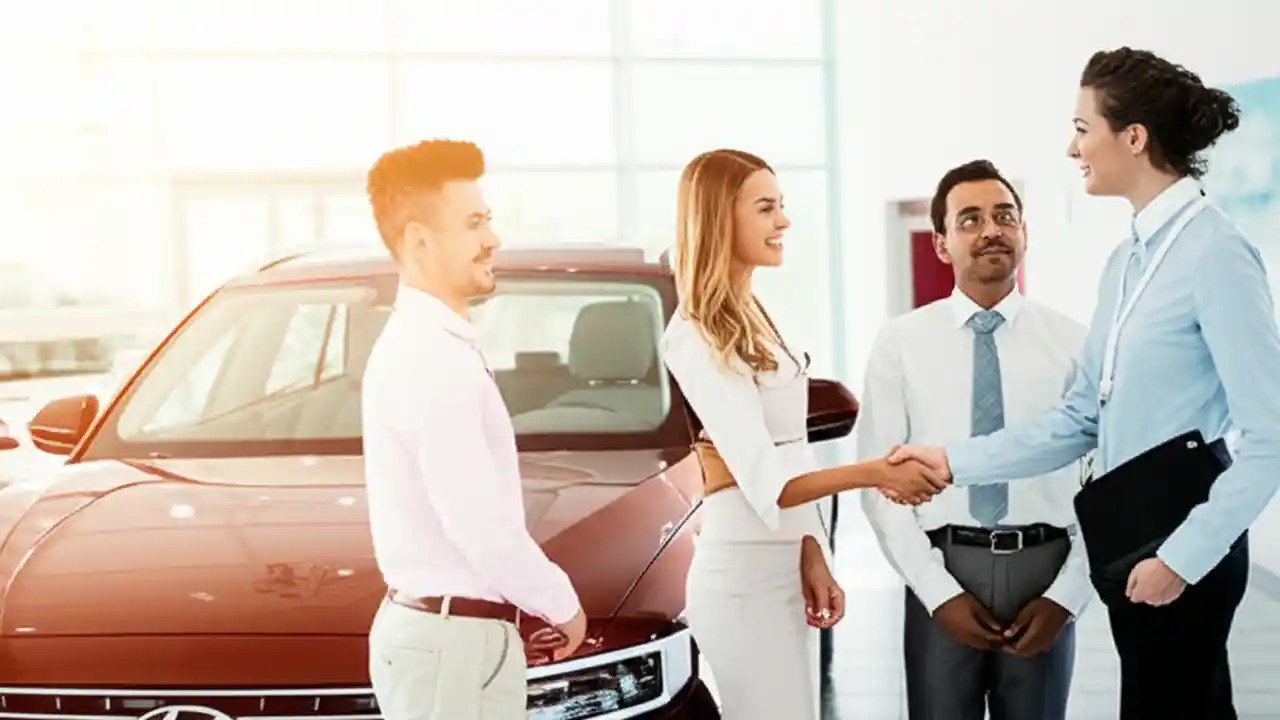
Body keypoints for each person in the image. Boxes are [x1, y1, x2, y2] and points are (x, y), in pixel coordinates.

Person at [888, 48, 1280, 718]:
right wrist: (953, 461)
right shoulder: (1127, 261)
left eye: (1081, 127)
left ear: (1133, 138)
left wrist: (1183, 559)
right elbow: (1078, 419)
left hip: (1180, 543)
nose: (1072, 148)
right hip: (1132, 540)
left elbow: (1271, 437)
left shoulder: (1216, 254)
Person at [659, 148, 949, 719]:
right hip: (741, 582)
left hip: (782, 567)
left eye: (782, 206)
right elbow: (768, 479)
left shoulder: (754, 316)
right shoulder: (695, 335)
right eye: (766, 208)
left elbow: (792, 447)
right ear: (721, 218)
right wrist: (873, 473)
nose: (784, 222)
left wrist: (812, 550)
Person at [361, 139, 587, 720]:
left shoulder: (436, 346)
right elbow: (479, 525)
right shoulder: (429, 358)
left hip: (453, 642)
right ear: (418, 240)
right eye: (475, 223)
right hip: (449, 647)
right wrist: (562, 606)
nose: (494, 238)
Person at [861, 159, 1089, 720]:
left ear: (1024, 233)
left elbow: (1104, 481)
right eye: (969, 219)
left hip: (1046, 570)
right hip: (943, 563)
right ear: (941, 244)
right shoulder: (900, 344)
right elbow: (878, 484)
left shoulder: (1075, 343)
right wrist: (938, 593)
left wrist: (1067, 596)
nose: (991, 229)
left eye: (1004, 215)